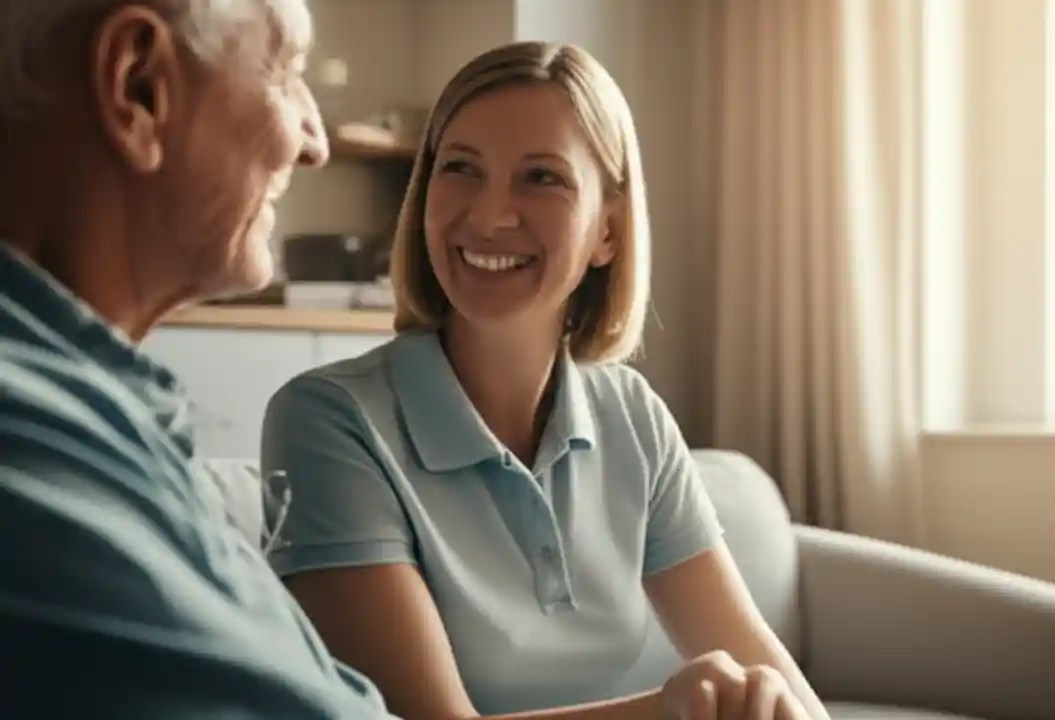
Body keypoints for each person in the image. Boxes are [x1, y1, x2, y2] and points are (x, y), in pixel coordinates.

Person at [261, 41, 831, 720]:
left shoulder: (632, 415)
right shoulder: (328, 420)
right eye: (461, 169)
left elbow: (765, 667)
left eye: (542, 178)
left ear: (609, 234)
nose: (489, 215)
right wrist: (670, 711)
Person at [0, 1, 397, 716]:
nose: (315, 140)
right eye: (286, 72)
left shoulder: (96, 402)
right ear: (139, 90)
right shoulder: (28, 439)